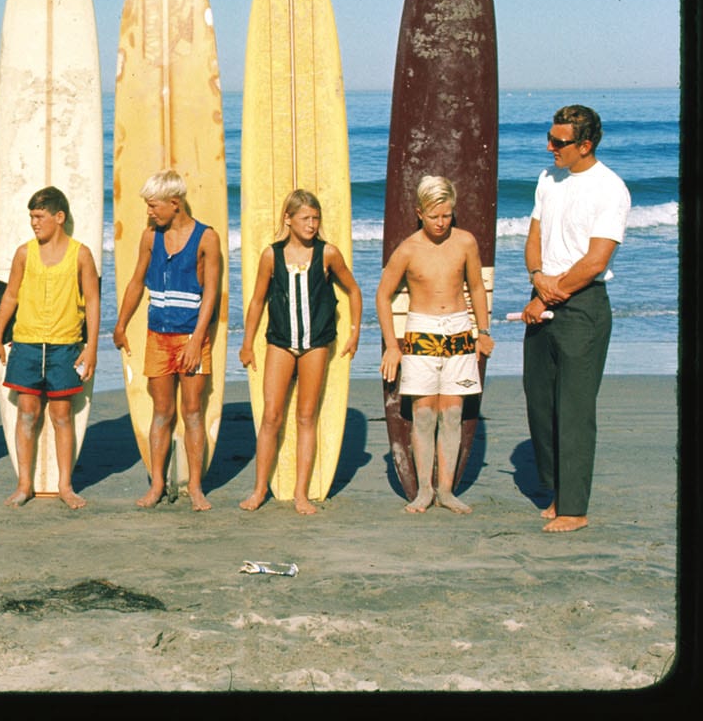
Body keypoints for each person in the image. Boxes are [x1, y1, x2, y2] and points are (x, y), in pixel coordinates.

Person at [520, 104, 630, 533]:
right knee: (539, 401)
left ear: (585, 145)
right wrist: (537, 279)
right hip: (542, 295)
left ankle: (574, 508)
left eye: (559, 142)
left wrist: (552, 291)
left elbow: (596, 259)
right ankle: (556, 491)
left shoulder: (610, 188)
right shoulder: (548, 178)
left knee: (575, 408)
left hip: (582, 306)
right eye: (550, 138)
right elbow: (534, 238)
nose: (550, 147)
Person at [238, 189, 362, 515]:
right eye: (305, 218)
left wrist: (354, 332)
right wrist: (247, 343)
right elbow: (256, 301)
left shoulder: (328, 254)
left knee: (307, 417)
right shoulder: (272, 255)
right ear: (288, 219)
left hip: (315, 344)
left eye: (316, 218)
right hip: (280, 341)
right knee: (271, 416)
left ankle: (301, 494)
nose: (311, 224)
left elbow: (353, 290)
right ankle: (259, 489)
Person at [376, 175, 493, 514]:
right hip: (422, 330)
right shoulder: (409, 249)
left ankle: (447, 490)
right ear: (419, 212)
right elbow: (383, 296)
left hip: (458, 329)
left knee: (453, 413)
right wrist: (391, 345)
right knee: (424, 415)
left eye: (447, 215)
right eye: (434, 216)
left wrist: (482, 332)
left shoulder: (466, 242)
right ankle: (424, 490)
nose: (441, 222)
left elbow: (476, 287)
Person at [112, 170, 223, 511]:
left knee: (192, 411)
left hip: (192, 336)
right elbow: (135, 283)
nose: (149, 212)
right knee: (162, 411)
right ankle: (157, 483)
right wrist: (121, 323)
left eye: (153, 205)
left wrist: (196, 341)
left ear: (175, 204)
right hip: (158, 335)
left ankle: (196, 487)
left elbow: (212, 295)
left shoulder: (207, 238)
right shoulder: (150, 237)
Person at [0, 186, 100, 510]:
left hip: (65, 345)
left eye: (39, 216)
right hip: (26, 343)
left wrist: (91, 348)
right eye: (31, 217)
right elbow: (10, 296)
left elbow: (92, 301)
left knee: (62, 415)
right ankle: (24, 484)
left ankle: (65, 486)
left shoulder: (81, 254)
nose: (34, 223)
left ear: (58, 217)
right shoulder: (25, 253)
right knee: (27, 413)